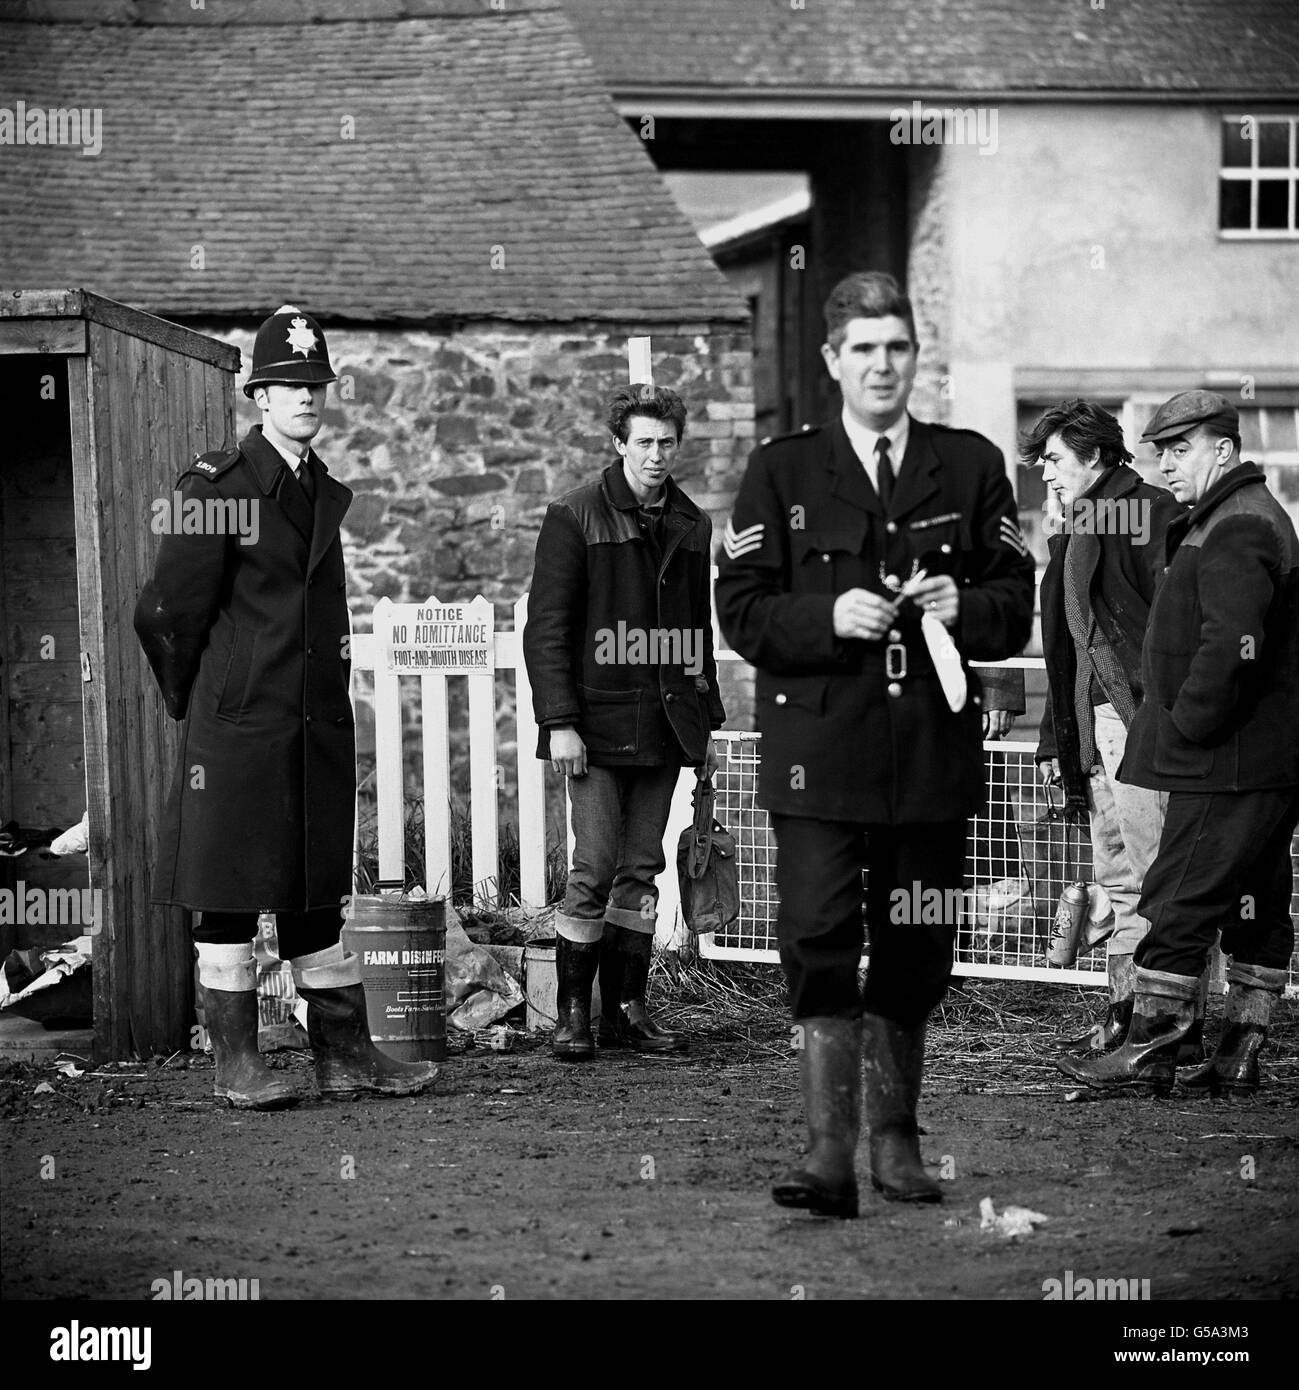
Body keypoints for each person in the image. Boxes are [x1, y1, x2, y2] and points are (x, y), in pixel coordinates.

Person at [715, 271, 1035, 1217]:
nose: (881, 365)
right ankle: (825, 1160)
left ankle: (895, 1146)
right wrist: (825, 617)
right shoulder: (783, 471)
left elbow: (1014, 604)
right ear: (831, 362)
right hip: (818, 758)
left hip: (928, 763)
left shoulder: (969, 466)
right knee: (817, 938)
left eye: (895, 346)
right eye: (863, 349)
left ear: (913, 355)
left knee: (918, 943)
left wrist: (962, 606)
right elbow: (741, 610)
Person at [135, 305, 438, 1109]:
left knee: (312, 895)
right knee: (229, 896)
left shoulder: (319, 491)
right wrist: (199, 702)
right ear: (258, 396)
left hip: (311, 728)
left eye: (316, 385)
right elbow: (165, 613)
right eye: (288, 385)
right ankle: (236, 1065)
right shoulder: (217, 487)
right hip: (234, 732)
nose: (307, 397)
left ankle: (345, 1056)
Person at [1058, 390, 1298, 1097]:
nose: (1164, 463)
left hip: (1226, 761)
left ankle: (1149, 1052)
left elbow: (1230, 647)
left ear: (1222, 449)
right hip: (1259, 760)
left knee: (1176, 898)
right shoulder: (1238, 516)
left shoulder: (1236, 525)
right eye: (1159, 450)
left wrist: (1187, 725)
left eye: (1179, 448)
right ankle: (1238, 1051)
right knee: (1254, 899)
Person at [523, 383, 726, 1061]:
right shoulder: (575, 514)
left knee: (641, 870)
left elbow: (696, 632)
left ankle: (626, 1010)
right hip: (595, 726)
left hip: (667, 724)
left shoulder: (692, 524)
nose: (655, 455)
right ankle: (573, 1015)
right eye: (642, 441)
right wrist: (558, 721)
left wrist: (706, 725)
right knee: (595, 866)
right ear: (617, 443)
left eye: (666, 442)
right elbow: (545, 628)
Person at [1023, 399, 1200, 1057]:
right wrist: (1052, 737)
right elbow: (1065, 644)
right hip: (1092, 725)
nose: (1045, 474)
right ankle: (1127, 1011)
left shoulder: (1151, 513)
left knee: (1159, 882)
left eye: (1054, 460)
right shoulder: (1076, 525)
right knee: (1120, 880)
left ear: (1095, 457)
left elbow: (1176, 626)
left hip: (1140, 725)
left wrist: (1162, 716)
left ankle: (1172, 1029)